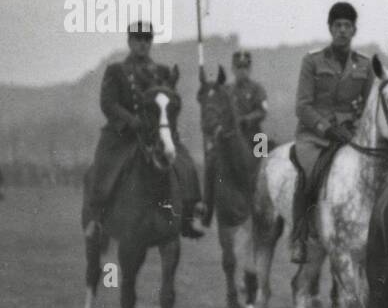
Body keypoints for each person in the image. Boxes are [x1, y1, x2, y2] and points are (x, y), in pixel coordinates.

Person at [84, 20, 205, 239]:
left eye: (147, 40)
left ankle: (190, 215)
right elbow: (108, 103)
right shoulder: (116, 71)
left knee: (185, 162)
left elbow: (170, 101)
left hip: (155, 134)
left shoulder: (162, 72)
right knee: (103, 166)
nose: (143, 44)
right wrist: (131, 120)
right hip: (123, 135)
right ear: (130, 42)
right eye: (138, 40)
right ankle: (97, 218)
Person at [290, 2, 376, 264]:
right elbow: (302, 106)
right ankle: (301, 235)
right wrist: (326, 127)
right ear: (330, 28)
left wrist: (355, 126)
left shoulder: (364, 64)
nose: (342, 31)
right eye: (337, 25)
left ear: (354, 30)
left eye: (347, 26)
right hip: (314, 137)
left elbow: (370, 105)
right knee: (309, 175)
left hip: (349, 136)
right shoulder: (312, 61)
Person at [231, 50, 269, 143]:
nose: (242, 71)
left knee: (264, 152)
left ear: (250, 69)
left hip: (253, 133)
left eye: (245, 67)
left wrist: (246, 119)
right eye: (239, 67)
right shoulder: (227, 90)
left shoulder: (257, 89)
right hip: (232, 134)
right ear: (233, 69)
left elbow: (262, 111)